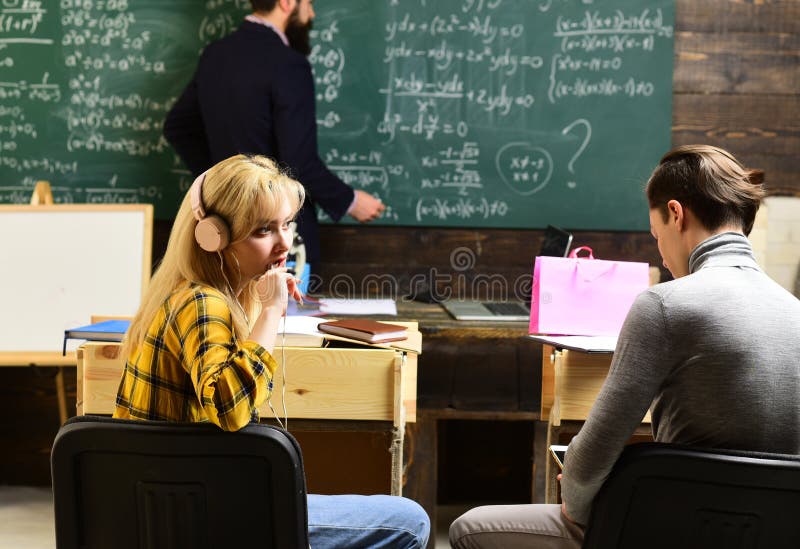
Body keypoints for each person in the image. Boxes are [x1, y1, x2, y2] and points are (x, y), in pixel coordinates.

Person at [449, 144, 800, 549]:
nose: (662, 257)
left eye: (656, 236)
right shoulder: (794, 311)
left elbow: (591, 459)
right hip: (774, 534)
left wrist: (576, 495)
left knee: (468, 529)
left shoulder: (664, 305)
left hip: (670, 529)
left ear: (676, 214)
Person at [113, 154, 429, 548]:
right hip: (203, 515)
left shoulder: (192, 294)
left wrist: (263, 308)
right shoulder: (202, 303)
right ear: (212, 236)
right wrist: (271, 312)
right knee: (408, 522)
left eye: (286, 224)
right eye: (263, 230)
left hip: (179, 503)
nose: (284, 242)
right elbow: (229, 408)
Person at [163, 0, 385, 273]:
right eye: (309, 3)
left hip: (226, 231)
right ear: (287, 3)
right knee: (285, 302)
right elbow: (299, 162)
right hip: (281, 239)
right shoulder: (289, 64)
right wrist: (350, 200)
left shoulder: (215, 54)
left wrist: (223, 182)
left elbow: (177, 127)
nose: (312, 13)